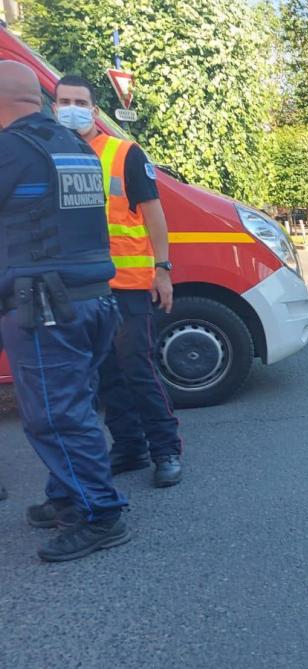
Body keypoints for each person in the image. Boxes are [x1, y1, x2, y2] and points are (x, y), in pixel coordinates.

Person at [0, 61, 130, 561]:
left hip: (44, 308)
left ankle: (101, 514)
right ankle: (66, 498)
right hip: (94, 299)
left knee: (54, 417)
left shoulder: (11, 150)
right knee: (74, 405)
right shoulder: (75, 146)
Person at [53, 75, 184, 488]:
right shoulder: (50, 155)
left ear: (94, 111)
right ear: (53, 108)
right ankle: (129, 447)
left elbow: (153, 213)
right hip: (81, 287)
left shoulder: (123, 152)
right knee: (106, 373)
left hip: (128, 283)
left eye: (80, 103)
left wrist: (162, 269)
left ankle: (165, 450)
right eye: (64, 102)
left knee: (136, 368)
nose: (72, 109)